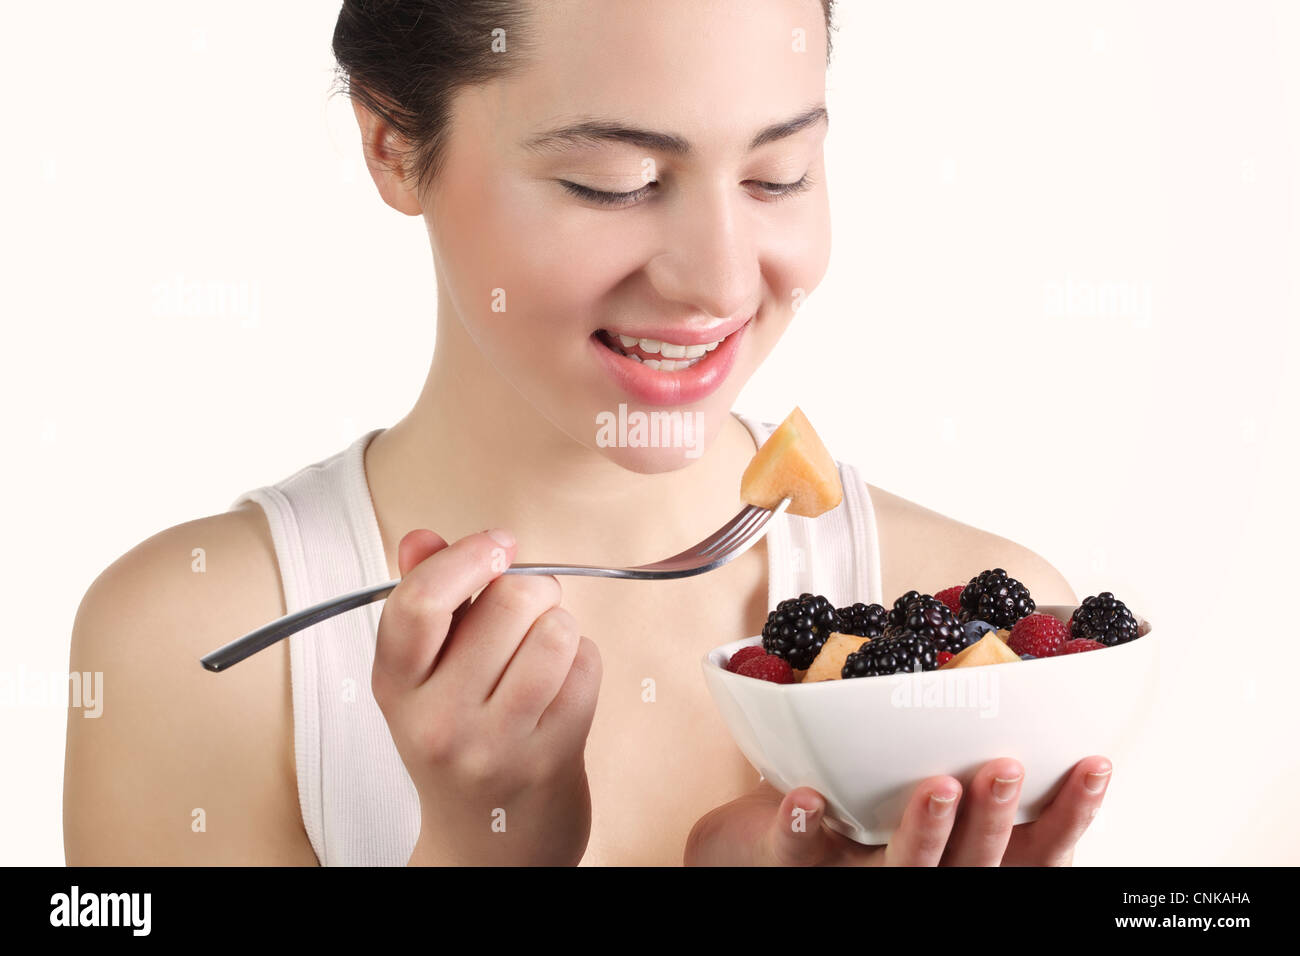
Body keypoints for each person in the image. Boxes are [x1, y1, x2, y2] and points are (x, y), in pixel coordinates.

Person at [64, 0, 1111, 866]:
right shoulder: (190, 650)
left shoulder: (989, 637)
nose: (720, 280)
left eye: (776, 175)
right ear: (390, 144)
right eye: (614, 183)